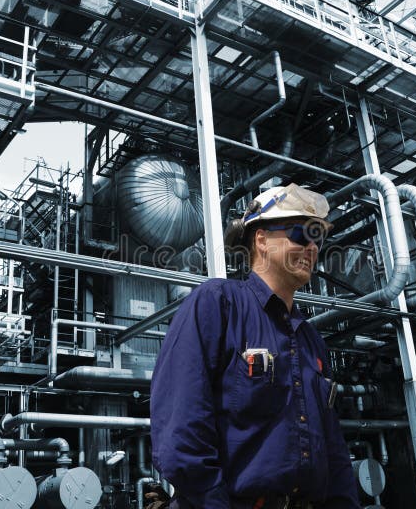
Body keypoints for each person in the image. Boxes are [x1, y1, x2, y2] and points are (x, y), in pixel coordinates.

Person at [150, 183, 360, 509]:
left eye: (318, 238)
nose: (312, 247)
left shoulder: (311, 342)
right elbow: (182, 434)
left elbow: (333, 447)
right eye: (301, 234)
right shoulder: (218, 305)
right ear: (261, 240)